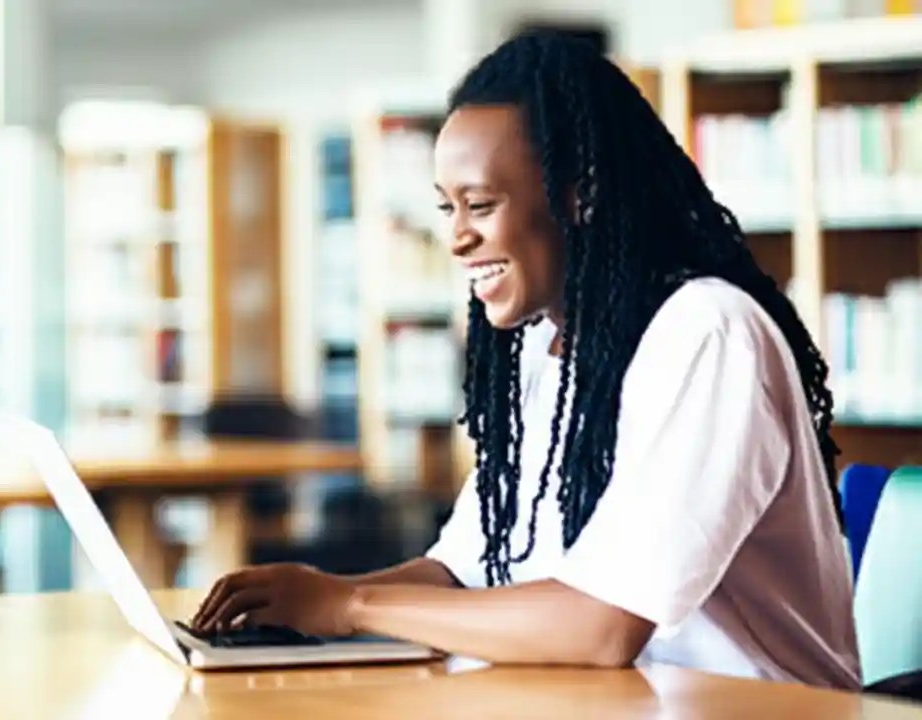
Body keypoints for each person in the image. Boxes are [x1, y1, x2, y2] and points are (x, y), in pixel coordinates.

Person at [190, 32, 860, 690]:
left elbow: (602, 627)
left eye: (480, 205)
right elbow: (460, 573)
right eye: (447, 208)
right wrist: (307, 607)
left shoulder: (708, 334)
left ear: (581, 194)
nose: (457, 238)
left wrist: (350, 608)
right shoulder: (546, 348)